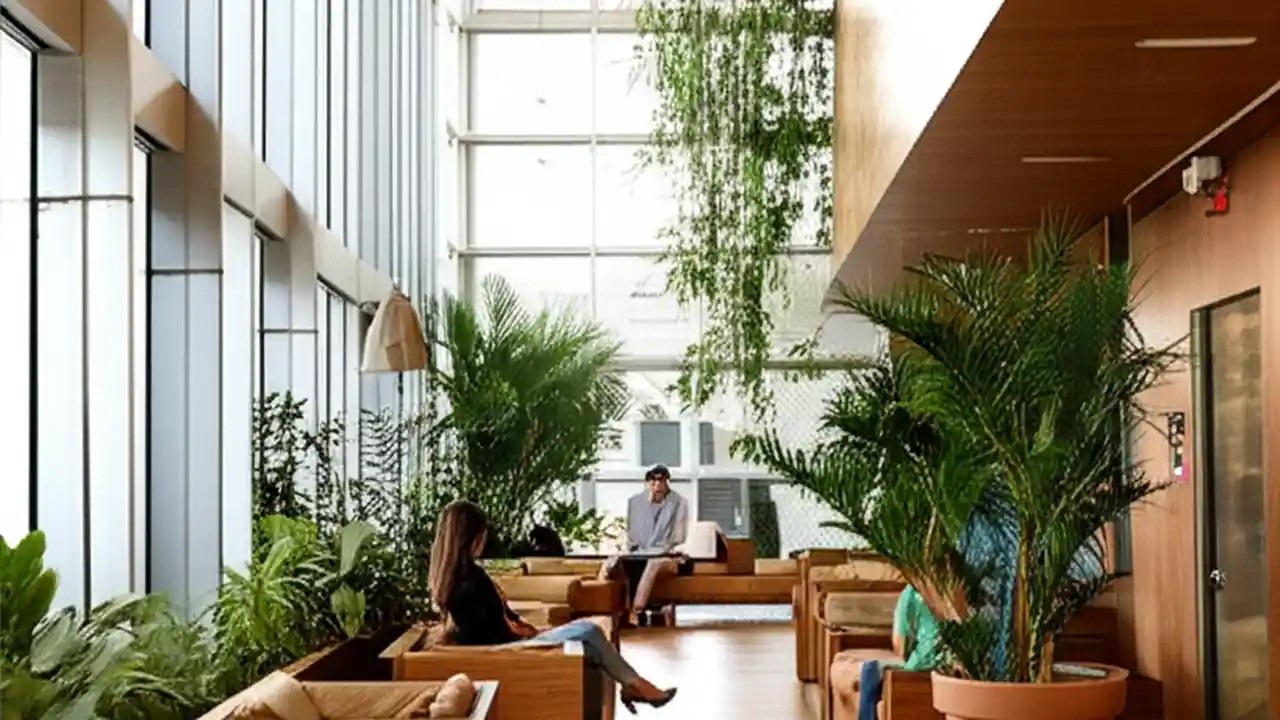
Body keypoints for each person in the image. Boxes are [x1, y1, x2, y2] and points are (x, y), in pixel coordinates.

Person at [429, 500, 677, 714]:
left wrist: (525, 627)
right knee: (588, 632)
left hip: (507, 641)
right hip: (505, 648)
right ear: (472, 537)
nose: (484, 541)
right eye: (482, 534)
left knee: (588, 639)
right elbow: (484, 635)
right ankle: (638, 687)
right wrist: (529, 634)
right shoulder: (468, 582)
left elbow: (493, 619)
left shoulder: (460, 577)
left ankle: (633, 686)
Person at [597, 464, 691, 626]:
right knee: (614, 562)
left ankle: (636, 610)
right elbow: (633, 537)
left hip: (669, 556)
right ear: (647, 483)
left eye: (662, 482)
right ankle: (606, 609)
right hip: (641, 552)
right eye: (653, 482)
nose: (658, 487)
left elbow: (678, 537)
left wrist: (657, 550)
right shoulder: (635, 502)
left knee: (653, 564)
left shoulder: (679, 503)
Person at [854, 585, 941, 720]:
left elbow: (901, 647)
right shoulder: (964, 584)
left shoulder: (911, 593)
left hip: (921, 667)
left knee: (869, 669)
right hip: (961, 669)